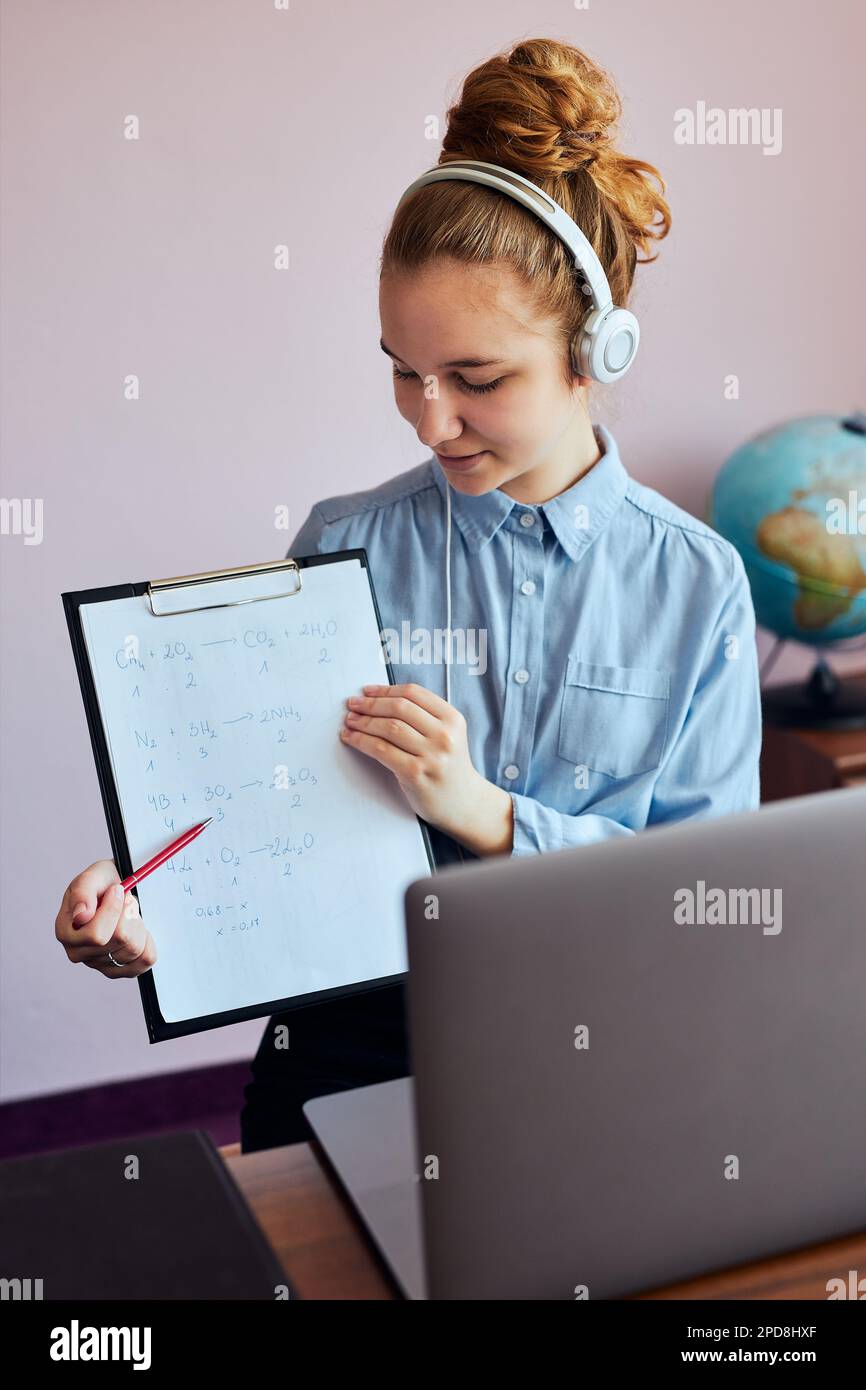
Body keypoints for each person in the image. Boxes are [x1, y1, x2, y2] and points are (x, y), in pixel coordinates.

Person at [54, 38, 762, 1154]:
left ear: (594, 351)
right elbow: (253, 845)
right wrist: (147, 919)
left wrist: (482, 813)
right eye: (402, 368)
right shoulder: (341, 544)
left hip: (608, 1057)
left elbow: (704, 908)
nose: (429, 422)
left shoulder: (698, 585)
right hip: (351, 1052)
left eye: (475, 380)